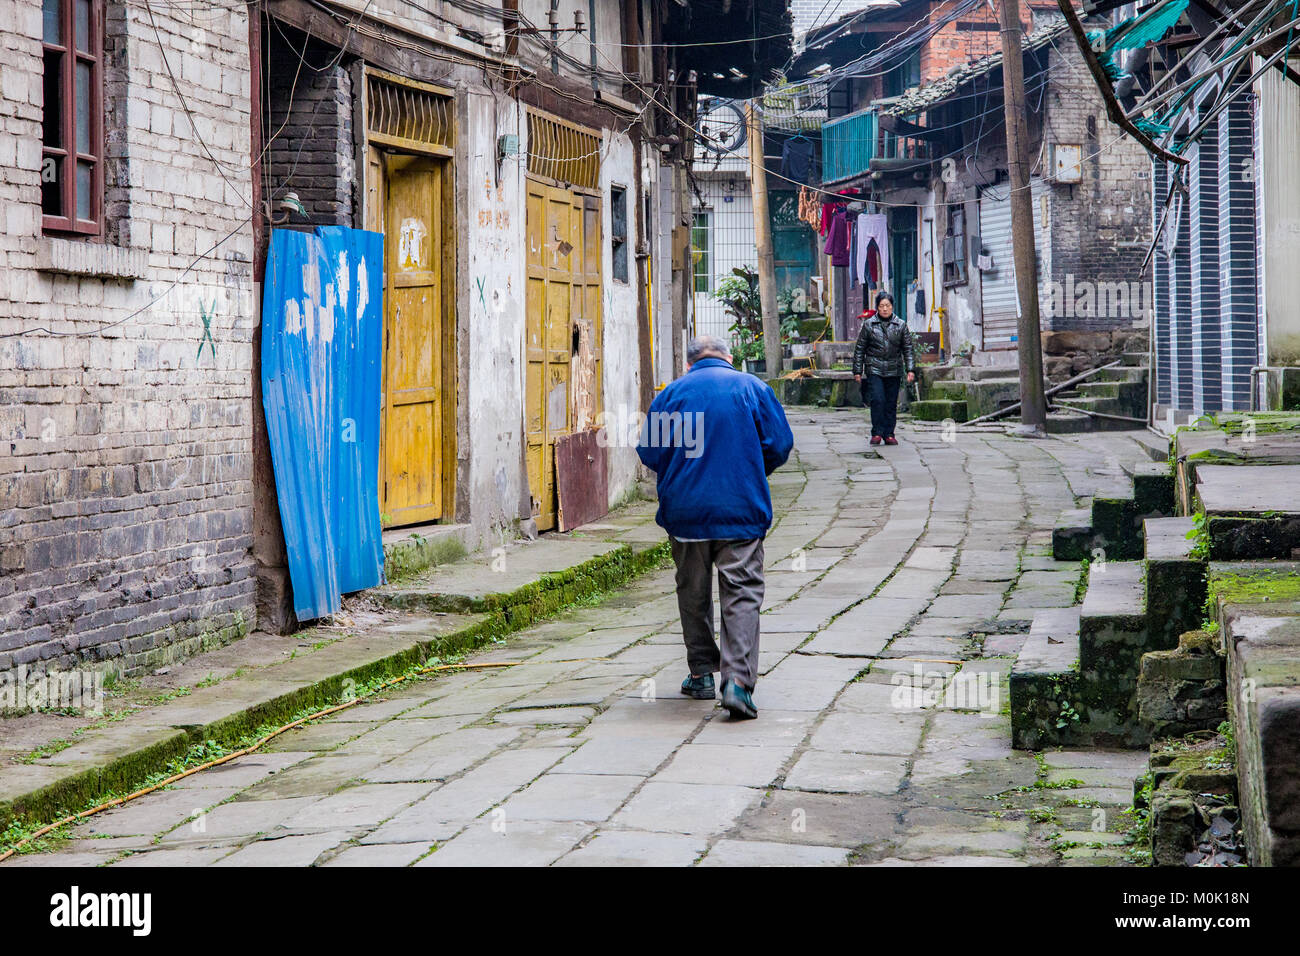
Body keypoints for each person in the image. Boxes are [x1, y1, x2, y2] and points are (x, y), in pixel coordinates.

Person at [636, 334, 794, 720]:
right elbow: (780, 445)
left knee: (692, 589)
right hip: (740, 508)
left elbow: (650, 453)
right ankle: (737, 683)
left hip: (686, 511)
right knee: (741, 592)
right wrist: (752, 468)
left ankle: (702, 672)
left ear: (689, 363)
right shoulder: (753, 388)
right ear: (729, 357)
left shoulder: (671, 395)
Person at [852, 291, 915, 446]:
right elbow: (860, 349)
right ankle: (877, 432)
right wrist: (857, 371)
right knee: (878, 400)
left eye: (887, 305)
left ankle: (889, 433)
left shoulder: (900, 325)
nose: (885, 309)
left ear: (892, 307)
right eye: (881, 306)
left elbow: (908, 349)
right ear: (877, 308)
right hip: (875, 368)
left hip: (894, 369)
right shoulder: (869, 325)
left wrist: (910, 369)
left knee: (891, 402)